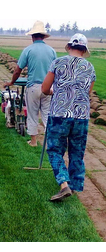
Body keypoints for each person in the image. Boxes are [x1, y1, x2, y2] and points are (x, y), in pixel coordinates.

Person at [41, 33, 96, 202]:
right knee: (77, 151)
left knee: (55, 150)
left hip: (59, 114)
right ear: (84, 50)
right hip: (81, 116)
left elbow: (45, 88)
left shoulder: (57, 62)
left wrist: (54, 92)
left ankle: (64, 184)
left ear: (69, 46)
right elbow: (87, 93)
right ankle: (75, 187)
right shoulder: (90, 68)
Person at [5, 21, 57, 146]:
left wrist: (12, 82)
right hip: (48, 88)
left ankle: (33, 142)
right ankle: (50, 142)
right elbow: (56, 71)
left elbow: (18, 70)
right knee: (47, 115)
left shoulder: (28, 50)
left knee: (32, 115)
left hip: (33, 86)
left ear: (32, 36)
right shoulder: (52, 51)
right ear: (44, 36)